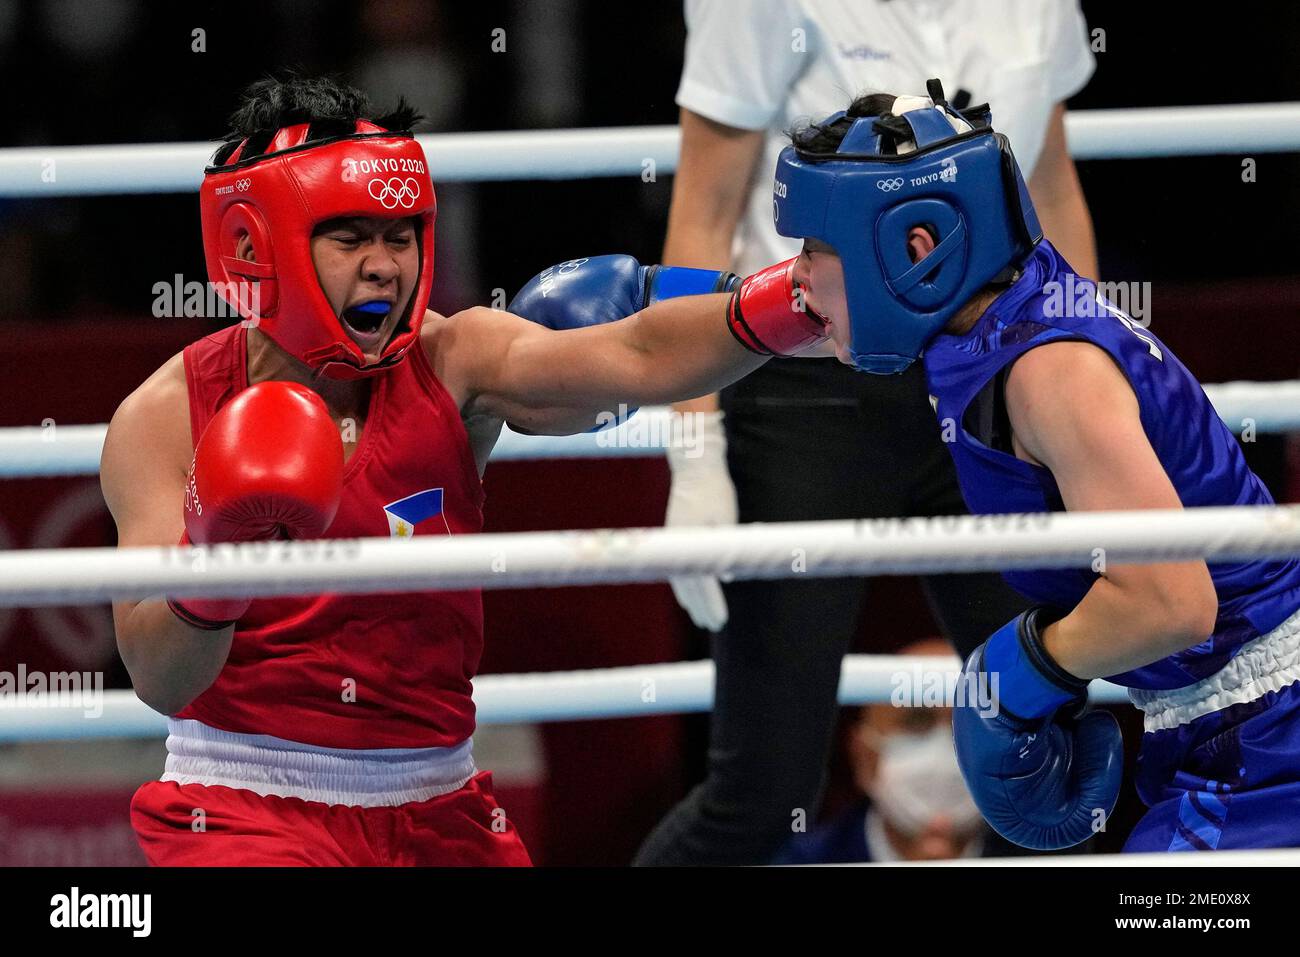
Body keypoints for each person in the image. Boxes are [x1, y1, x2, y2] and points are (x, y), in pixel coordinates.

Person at [99, 75, 828, 866]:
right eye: (350, 238)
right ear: (257, 244)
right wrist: (218, 562)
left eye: (402, 235)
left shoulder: (455, 359)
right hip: (241, 806)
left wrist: (801, 296)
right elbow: (159, 678)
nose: (385, 267)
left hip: (440, 803)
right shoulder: (164, 416)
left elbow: (635, 350)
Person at [771, 81, 1300, 851]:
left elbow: (1171, 603)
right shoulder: (987, 314)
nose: (797, 278)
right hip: (1224, 723)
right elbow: (785, 313)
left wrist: (1016, 677)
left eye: (815, 251)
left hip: (1272, 728)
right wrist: (646, 302)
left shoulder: (1052, 374)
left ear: (916, 248)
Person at [640, 0, 1097, 867]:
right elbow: (702, 216)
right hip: (806, 390)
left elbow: (1054, 183)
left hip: (989, 383)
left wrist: (1101, 385)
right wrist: (692, 452)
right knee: (764, 794)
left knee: (1056, 755)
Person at [774, 639, 986, 864]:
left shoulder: (1028, 853)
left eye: (972, 724)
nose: (949, 748)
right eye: (916, 721)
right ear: (863, 755)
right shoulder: (795, 862)